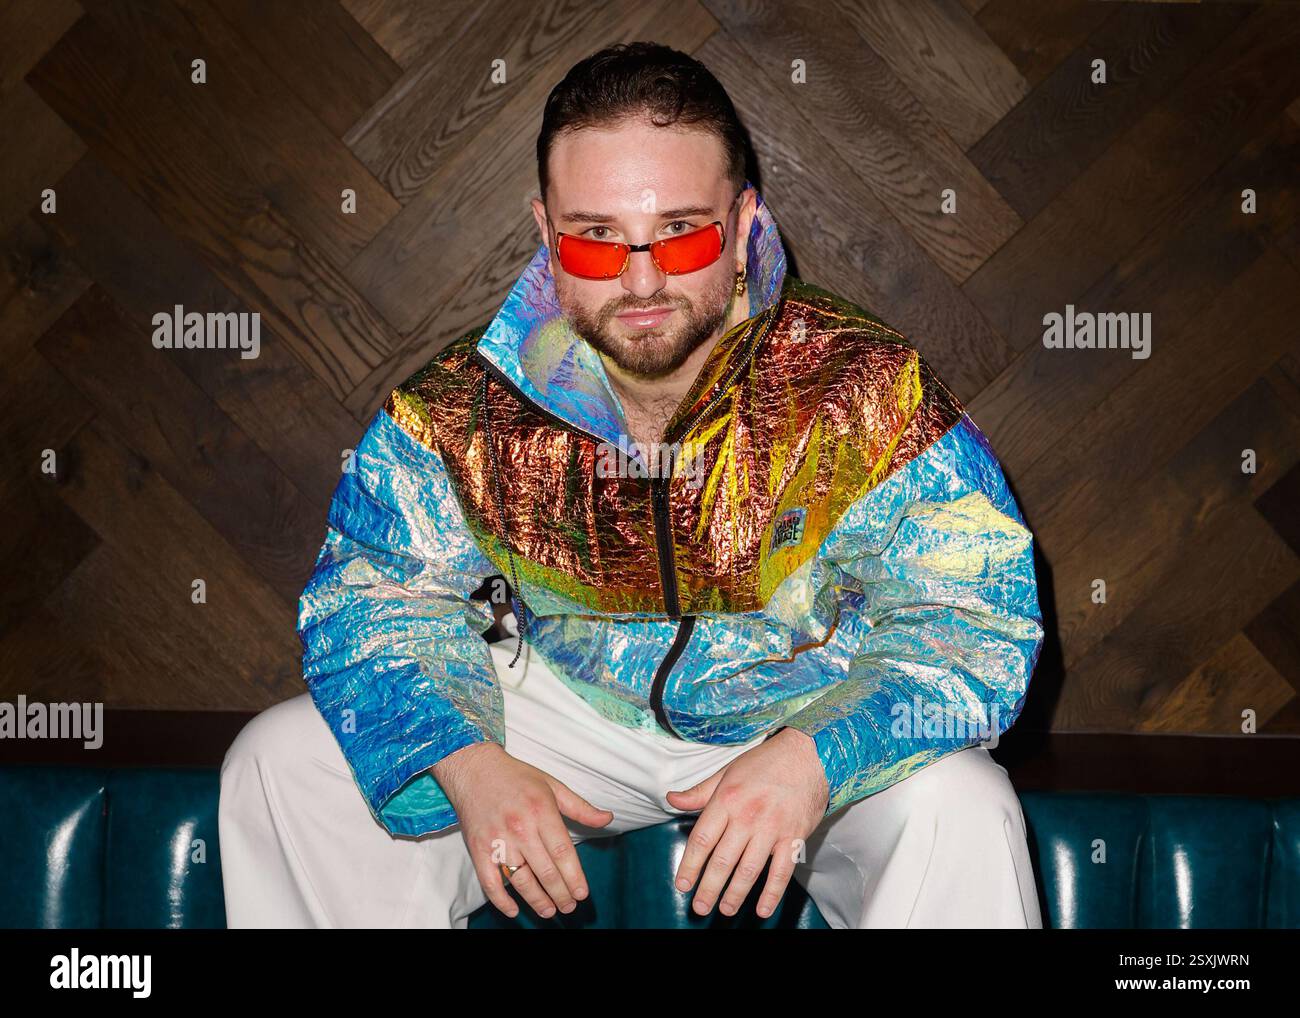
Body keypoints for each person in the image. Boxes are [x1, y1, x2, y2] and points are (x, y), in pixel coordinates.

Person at [218, 41, 1045, 929]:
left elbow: (976, 615)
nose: (642, 278)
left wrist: (816, 756)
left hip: (799, 703)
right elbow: (371, 599)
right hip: (560, 702)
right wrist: (464, 761)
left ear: (741, 224)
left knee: (963, 805)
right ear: (546, 233)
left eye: (682, 232)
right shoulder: (460, 409)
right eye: (598, 237)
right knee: (282, 761)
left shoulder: (863, 389)